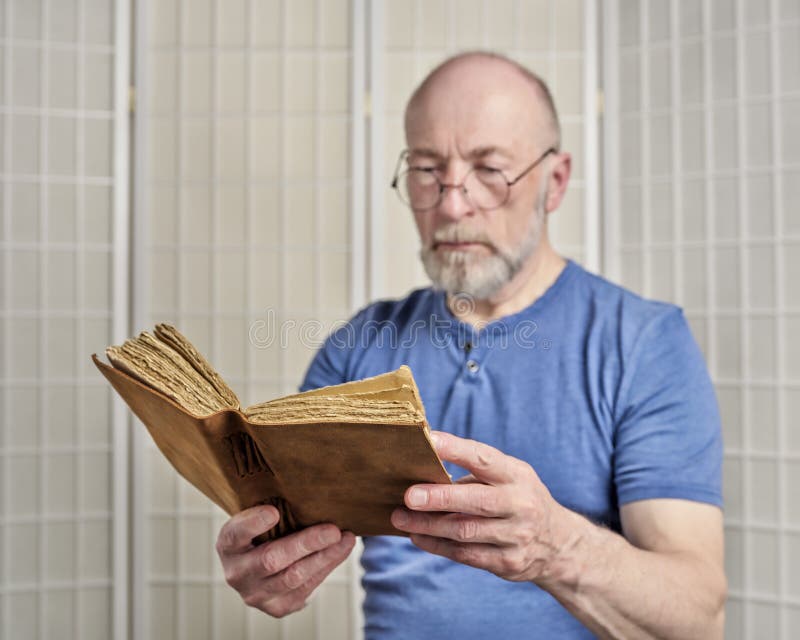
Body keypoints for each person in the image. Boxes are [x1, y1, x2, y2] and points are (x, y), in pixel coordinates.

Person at [215, 52, 726, 639]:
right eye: (428, 170)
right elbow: (282, 538)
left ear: (554, 182)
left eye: (489, 169)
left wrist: (554, 547)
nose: (453, 205)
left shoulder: (642, 343)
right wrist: (264, 564)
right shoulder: (359, 346)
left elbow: (698, 618)